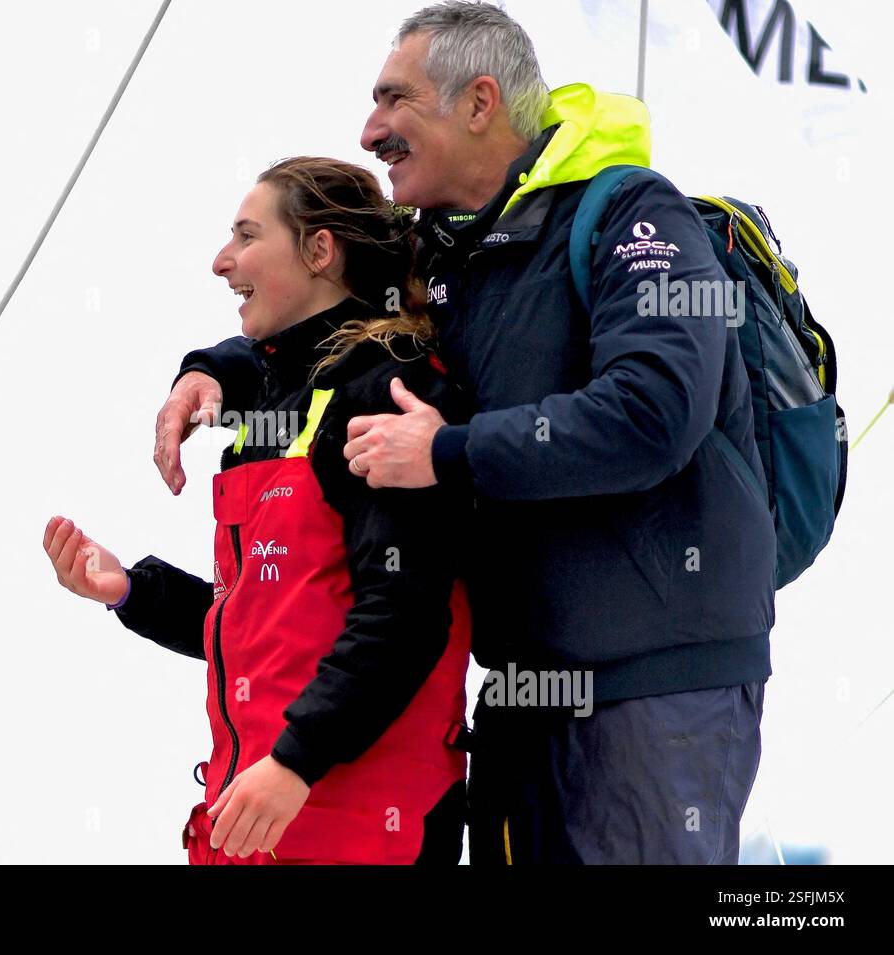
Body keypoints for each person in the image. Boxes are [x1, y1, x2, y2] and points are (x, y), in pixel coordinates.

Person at [155, 2, 774, 864]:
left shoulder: (634, 216)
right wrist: (215, 369)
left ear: (480, 102)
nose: (370, 130)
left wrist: (445, 451)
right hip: (518, 695)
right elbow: (329, 316)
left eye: (393, 99)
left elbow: (654, 412)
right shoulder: (442, 250)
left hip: (652, 685)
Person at [45, 157, 471, 864]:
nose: (221, 261)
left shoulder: (386, 395)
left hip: (361, 831)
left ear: (319, 250)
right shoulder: (274, 414)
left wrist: (294, 762)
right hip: (266, 830)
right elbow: (270, 632)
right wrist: (130, 589)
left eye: (246, 235)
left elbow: (404, 617)